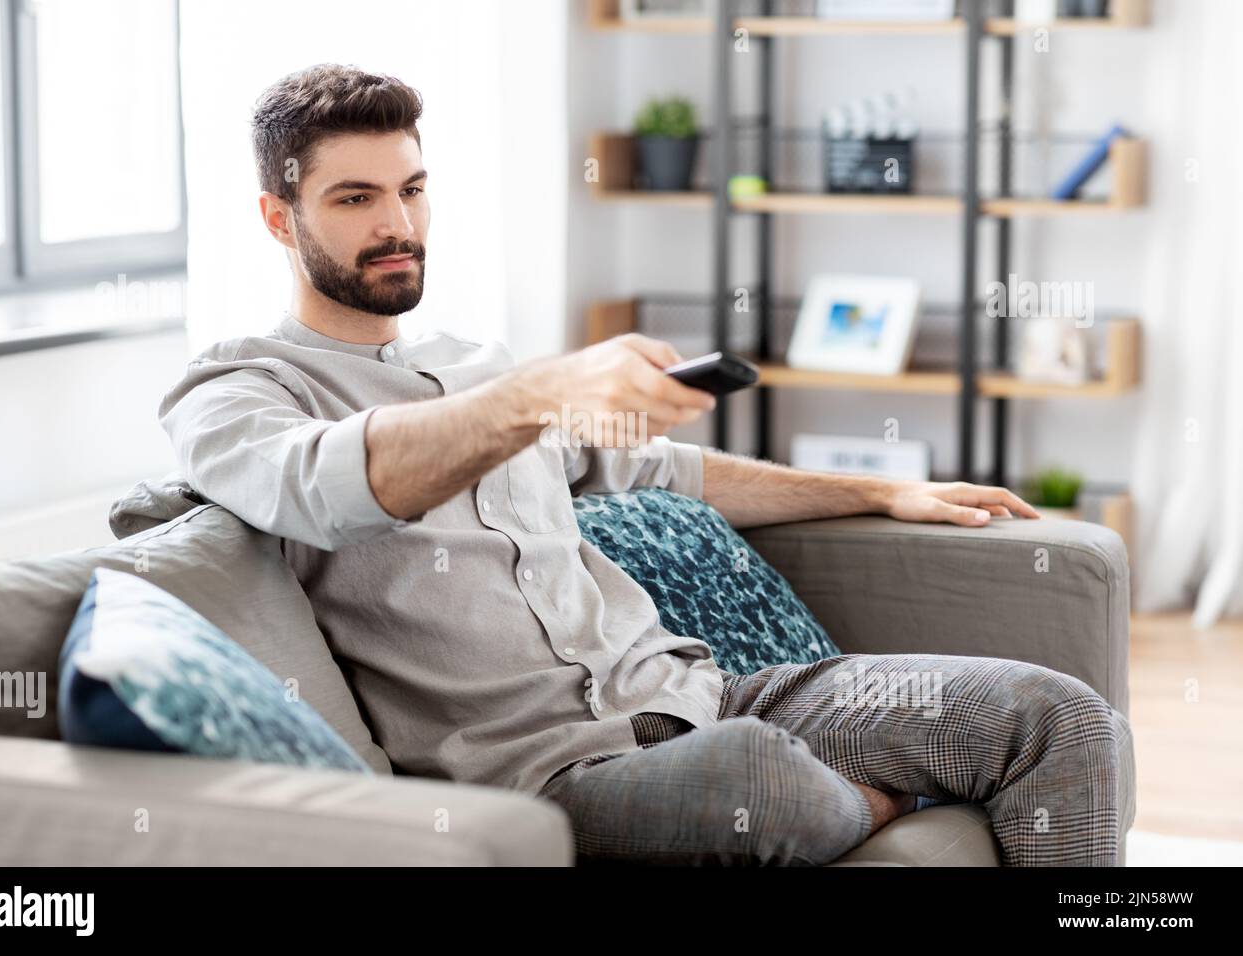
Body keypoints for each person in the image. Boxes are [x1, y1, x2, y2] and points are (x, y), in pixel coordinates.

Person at [158, 64, 1135, 866]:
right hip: (546, 775)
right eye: (355, 198)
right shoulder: (236, 392)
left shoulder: (472, 362)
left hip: (700, 695)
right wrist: (535, 396)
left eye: (412, 190)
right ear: (278, 217)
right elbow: (330, 486)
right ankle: (869, 801)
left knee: (1056, 715)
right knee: (756, 776)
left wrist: (879, 488)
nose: (399, 227)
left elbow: (656, 470)